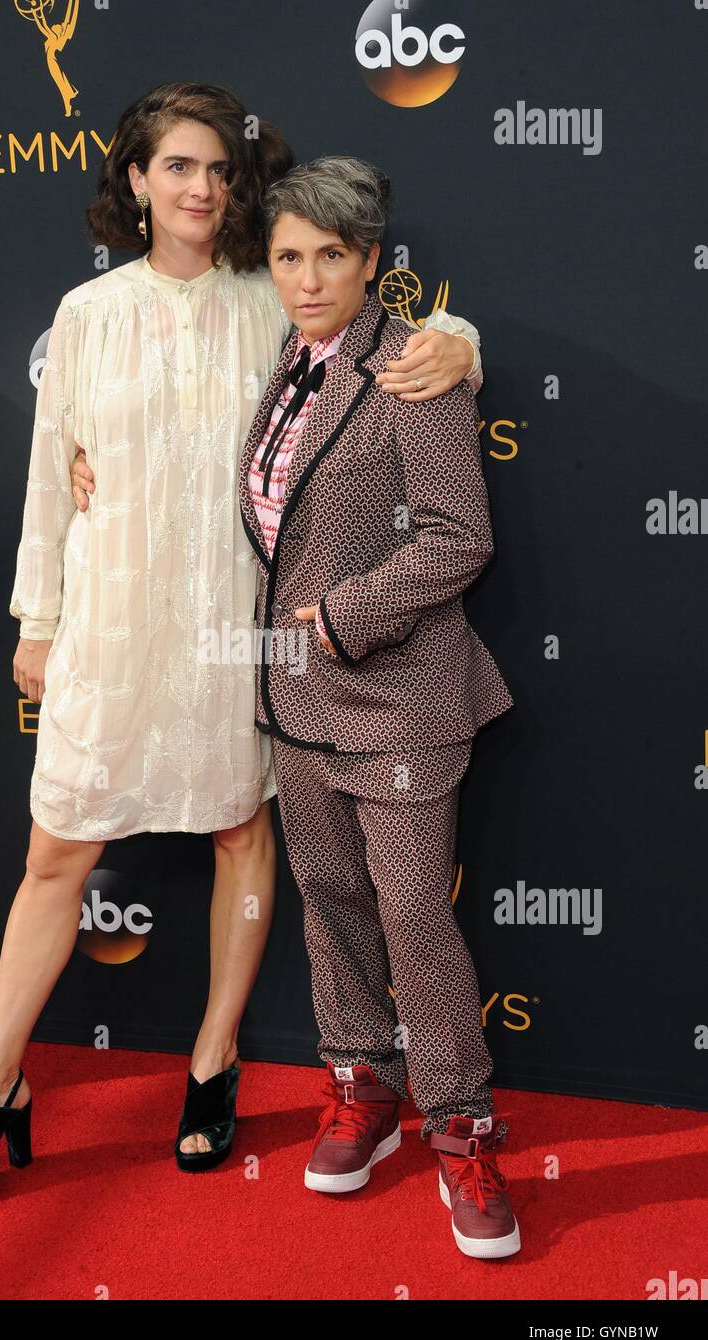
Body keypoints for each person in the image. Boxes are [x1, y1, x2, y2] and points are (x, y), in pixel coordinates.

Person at [0, 82, 482, 1209]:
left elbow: (381, 341)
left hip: (241, 626)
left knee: (241, 831)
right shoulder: (87, 317)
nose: (202, 189)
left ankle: (213, 1059)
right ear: (134, 178)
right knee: (54, 853)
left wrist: (458, 345)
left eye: (219, 172)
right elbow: (52, 476)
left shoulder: (269, 298)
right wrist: (39, 621)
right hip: (113, 620)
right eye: (177, 167)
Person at [233, 155, 520, 1260]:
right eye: (287, 257)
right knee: (328, 894)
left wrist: (345, 616)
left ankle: (461, 1127)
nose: (307, 279)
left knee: (412, 913)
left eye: (330, 257)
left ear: (370, 262)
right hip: (294, 697)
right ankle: (364, 1087)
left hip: (396, 693)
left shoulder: (412, 366)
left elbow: (460, 537)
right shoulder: (281, 364)